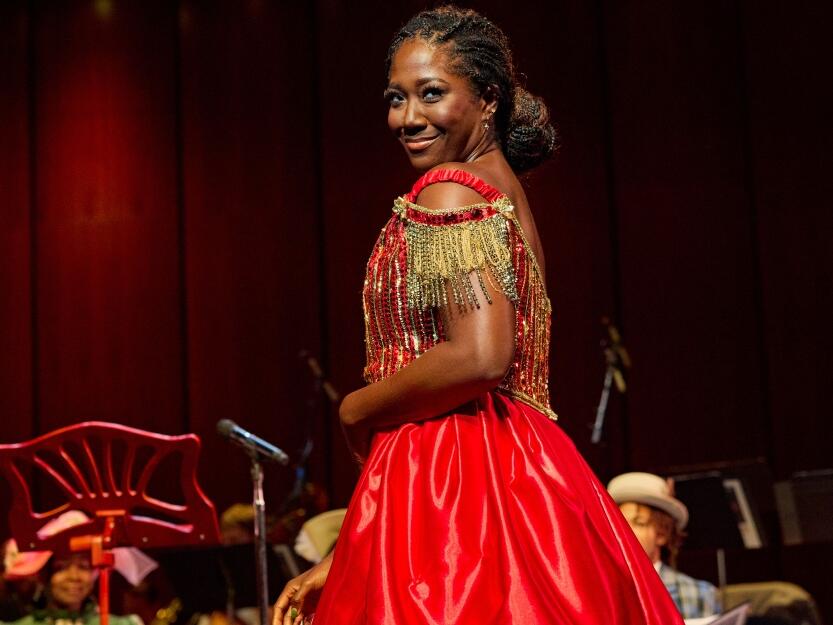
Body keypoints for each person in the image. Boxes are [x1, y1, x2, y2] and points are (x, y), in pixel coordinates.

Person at [273, 6, 685, 624]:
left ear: (487, 98)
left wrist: (354, 407)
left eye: (431, 94)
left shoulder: (451, 189)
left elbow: (480, 356)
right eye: (396, 98)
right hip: (511, 474)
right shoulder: (505, 191)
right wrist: (353, 546)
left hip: (454, 478)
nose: (407, 118)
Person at [608, 472, 722, 620]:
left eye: (639, 523)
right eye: (617, 522)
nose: (624, 531)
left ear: (662, 534)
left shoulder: (698, 594)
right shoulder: (597, 589)